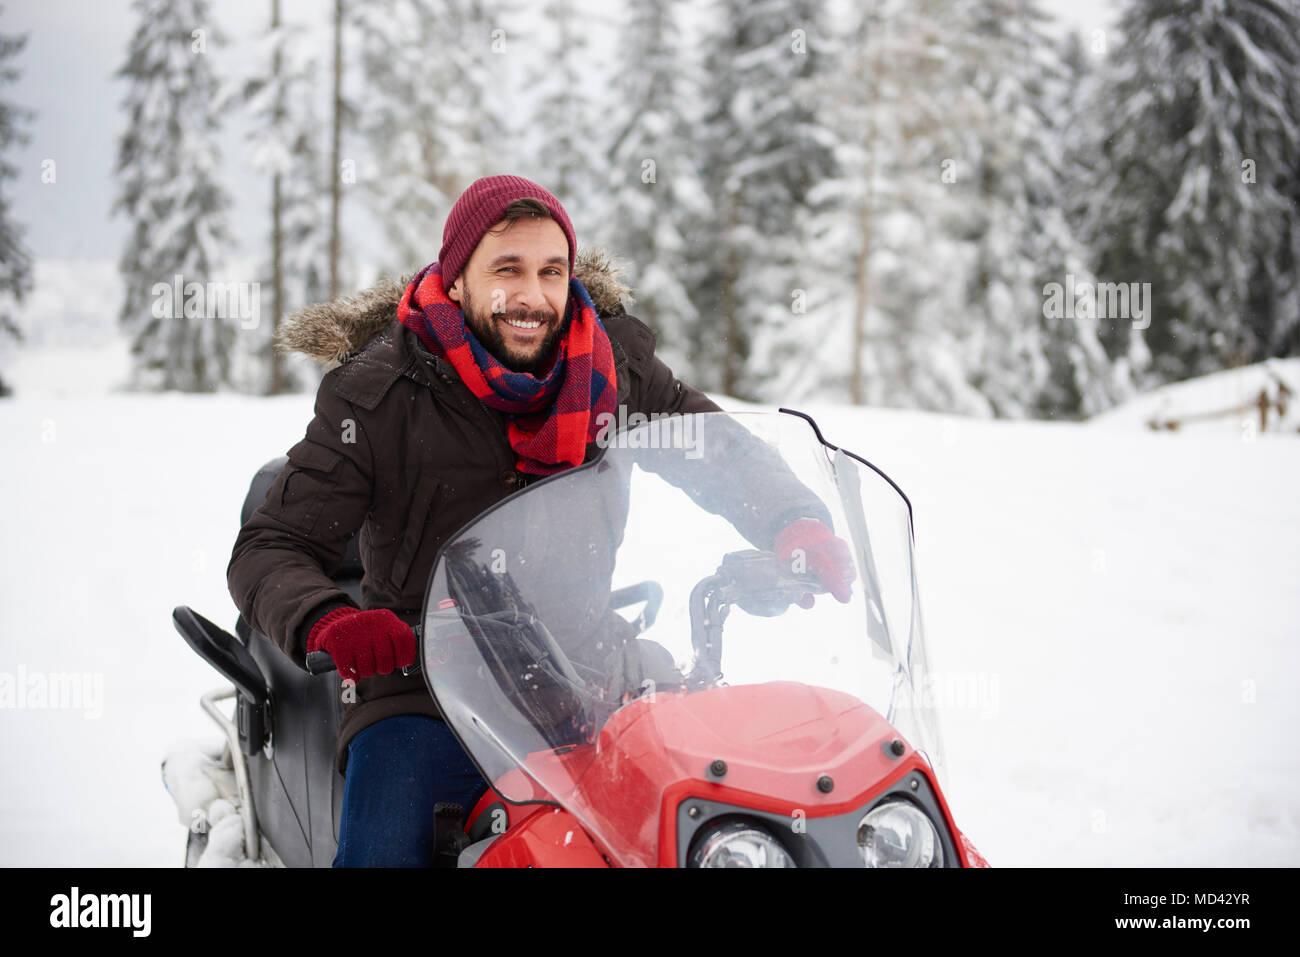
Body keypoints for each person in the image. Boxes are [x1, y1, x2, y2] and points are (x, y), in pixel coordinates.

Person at [226, 174, 855, 866]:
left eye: (550, 271)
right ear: (457, 279)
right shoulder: (379, 395)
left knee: (719, 818)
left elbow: (716, 449)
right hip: (426, 692)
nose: (532, 295)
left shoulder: (611, 370)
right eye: (507, 270)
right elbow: (271, 544)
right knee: (383, 853)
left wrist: (795, 522)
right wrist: (330, 619)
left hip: (588, 677)